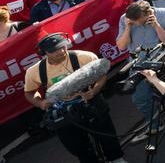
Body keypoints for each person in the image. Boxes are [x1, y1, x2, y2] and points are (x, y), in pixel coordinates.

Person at [23, 32, 127, 163]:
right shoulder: (34, 71)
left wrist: (95, 90)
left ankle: (116, 158)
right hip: (64, 110)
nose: (61, 51)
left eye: (62, 47)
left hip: (90, 101)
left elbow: (102, 74)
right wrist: (40, 103)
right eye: (54, 51)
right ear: (43, 53)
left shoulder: (84, 57)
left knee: (107, 134)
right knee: (77, 145)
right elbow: (29, 93)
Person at [115, 0, 165, 139]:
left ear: (149, 13)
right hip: (139, 64)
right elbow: (122, 46)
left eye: (139, 21)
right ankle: (155, 124)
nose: (137, 24)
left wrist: (156, 26)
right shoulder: (125, 20)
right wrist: (128, 28)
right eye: (133, 21)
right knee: (139, 98)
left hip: (162, 61)